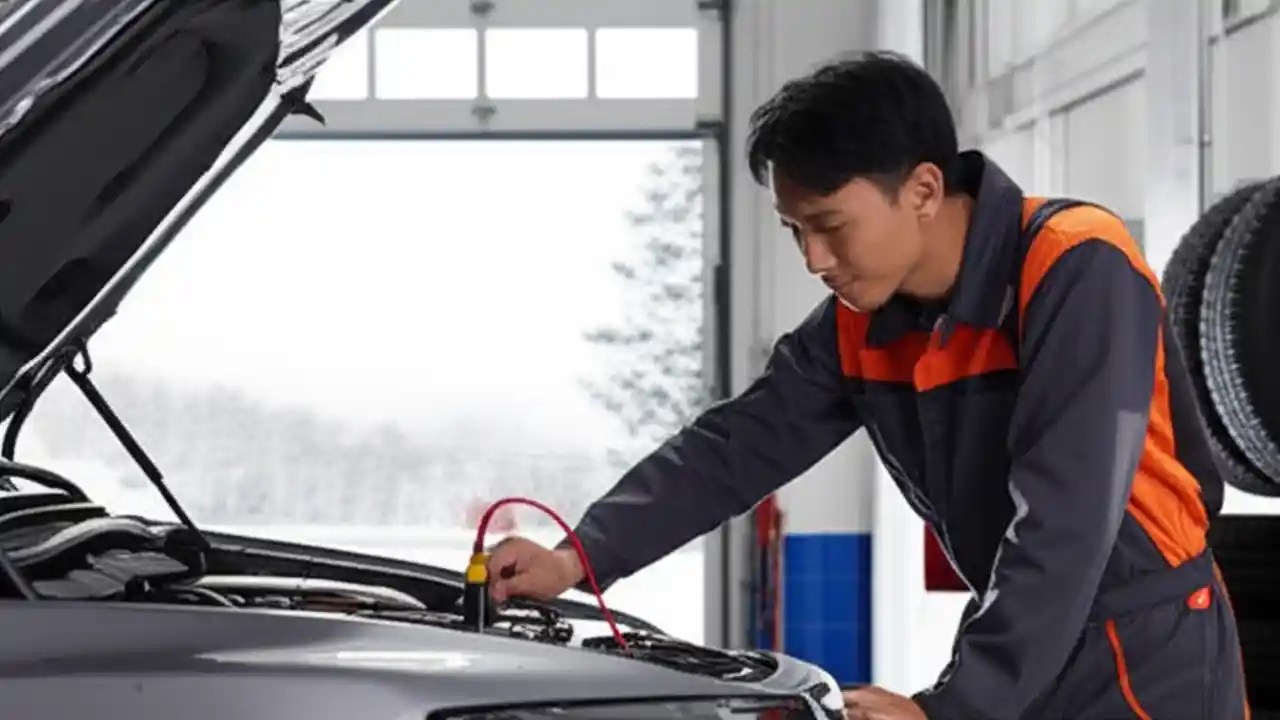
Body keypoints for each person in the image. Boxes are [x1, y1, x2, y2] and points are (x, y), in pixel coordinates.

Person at [485, 51, 1248, 719]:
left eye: (829, 225)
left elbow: (1065, 518)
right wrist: (578, 558)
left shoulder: (1075, 265)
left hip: (1145, 652)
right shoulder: (862, 320)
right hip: (1026, 634)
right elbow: (732, 447)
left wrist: (955, 707)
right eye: (794, 230)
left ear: (921, 190)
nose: (814, 258)